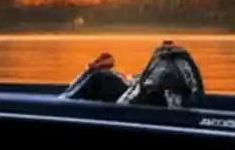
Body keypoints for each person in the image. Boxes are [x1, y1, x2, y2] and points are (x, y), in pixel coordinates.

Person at [61, 40, 204, 107]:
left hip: (138, 99)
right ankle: (67, 99)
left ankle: (65, 103)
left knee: (97, 77)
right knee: (97, 76)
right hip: (131, 90)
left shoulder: (101, 79)